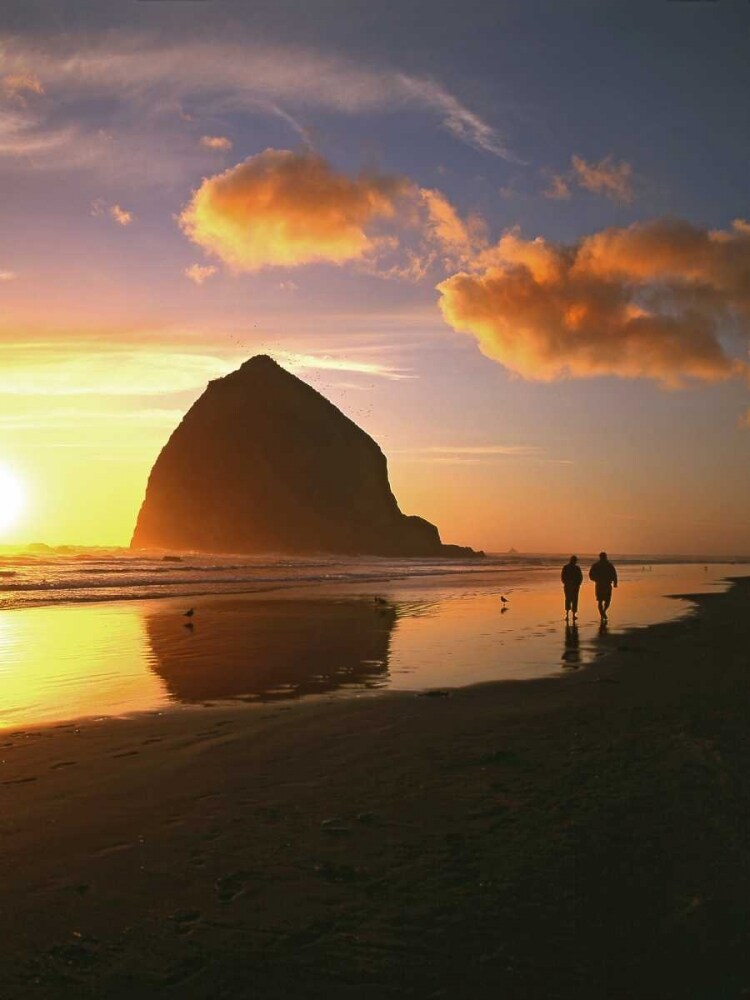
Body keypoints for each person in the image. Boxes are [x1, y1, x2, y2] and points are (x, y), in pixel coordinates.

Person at [589, 551, 618, 620]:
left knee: (606, 601)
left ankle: (603, 612)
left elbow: (614, 574)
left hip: (605, 584)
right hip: (601, 585)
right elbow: (591, 575)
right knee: (601, 600)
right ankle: (602, 613)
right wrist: (596, 579)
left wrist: (615, 583)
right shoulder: (597, 565)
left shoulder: (609, 565)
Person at [561, 555, 583, 619]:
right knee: (574, 600)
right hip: (575, 586)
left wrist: (565, 582)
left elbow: (563, 576)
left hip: (568, 585)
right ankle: (573, 615)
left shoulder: (566, 567)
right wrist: (578, 584)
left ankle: (567, 615)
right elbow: (580, 577)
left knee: (568, 599)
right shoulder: (577, 568)